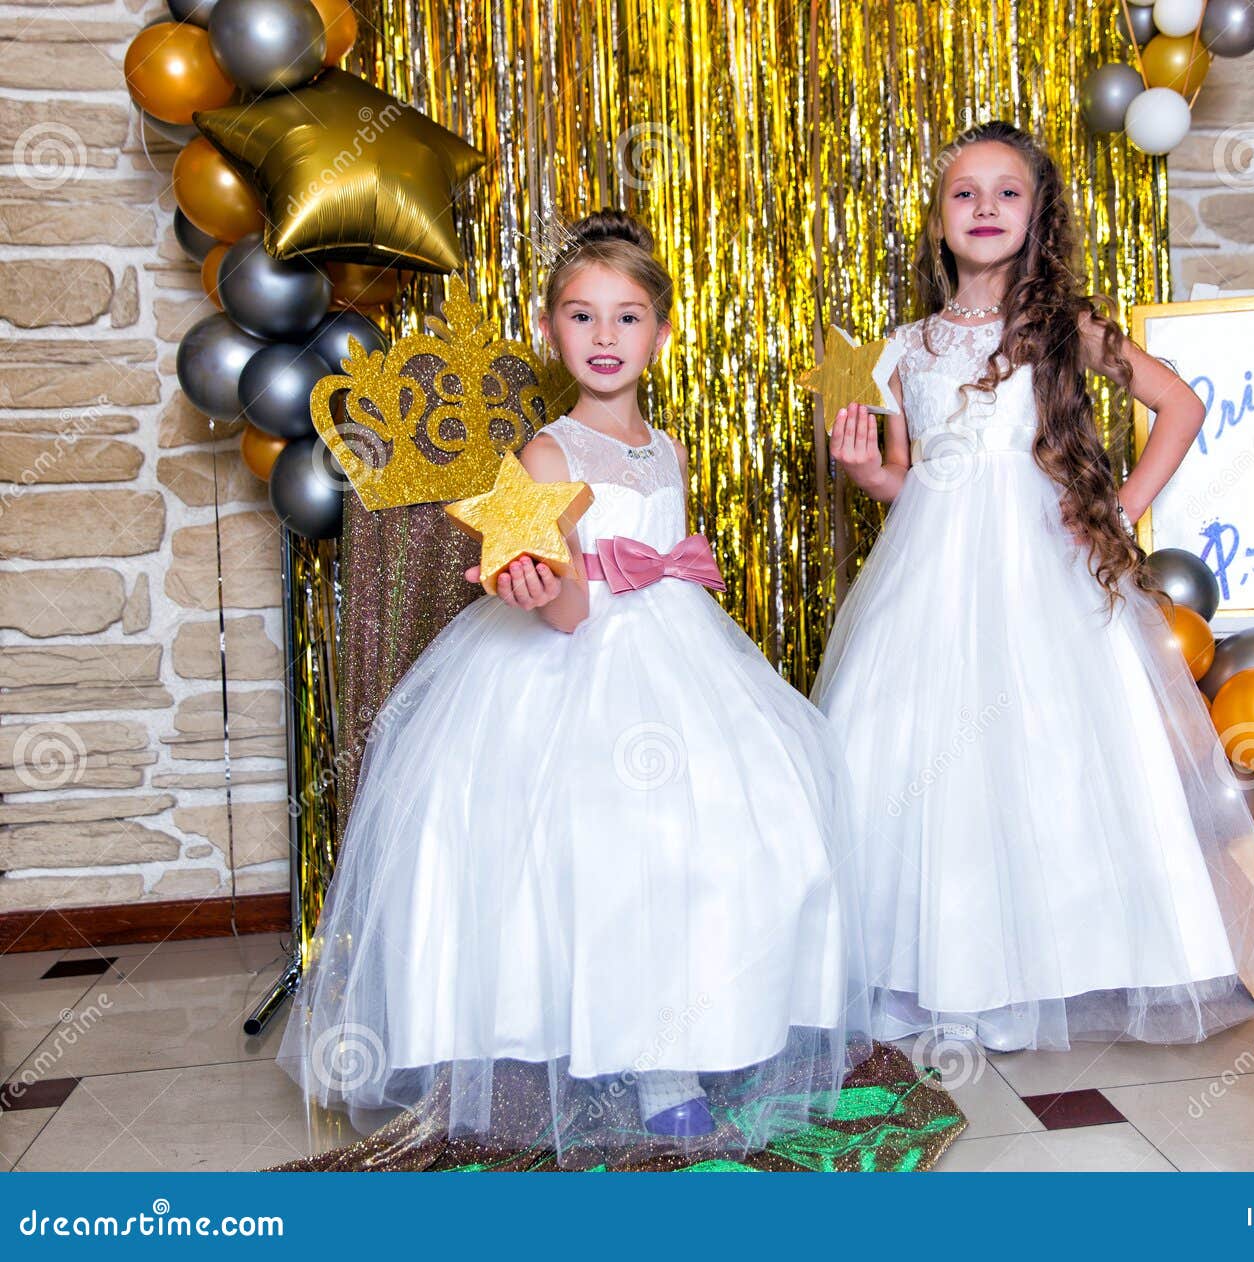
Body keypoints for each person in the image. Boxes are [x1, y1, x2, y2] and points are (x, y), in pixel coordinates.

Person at [278, 210, 870, 1166]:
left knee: (723, 831)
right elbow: (562, 609)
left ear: (663, 334)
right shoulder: (547, 455)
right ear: (551, 329)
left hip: (683, 656)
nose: (605, 338)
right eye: (581, 316)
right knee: (609, 849)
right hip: (577, 666)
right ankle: (633, 1059)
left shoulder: (664, 448)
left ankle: (692, 1034)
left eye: (627, 318)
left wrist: (655, 571)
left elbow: (670, 565)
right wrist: (539, 578)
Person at [812, 121, 1254, 1054]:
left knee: (1051, 750)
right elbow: (909, 481)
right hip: (930, 579)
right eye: (964, 192)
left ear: (1036, 216)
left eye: (1006, 192)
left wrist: (1119, 507)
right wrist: (867, 473)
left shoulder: (1064, 329)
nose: (984, 207)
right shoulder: (902, 348)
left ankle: (1049, 965)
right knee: (925, 759)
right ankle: (942, 971)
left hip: (1042, 569)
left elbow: (1181, 405)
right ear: (939, 218)